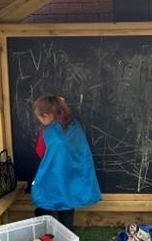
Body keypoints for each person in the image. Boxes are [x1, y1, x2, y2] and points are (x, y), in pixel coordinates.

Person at [32, 95, 101, 231]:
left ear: (46, 115)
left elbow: (40, 152)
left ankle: (46, 229)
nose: (39, 121)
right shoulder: (75, 125)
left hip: (53, 174)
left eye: (39, 118)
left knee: (48, 197)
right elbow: (81, 149)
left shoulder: (47, 131)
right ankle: (67, 234)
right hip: (74, 174)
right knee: (67, 203)